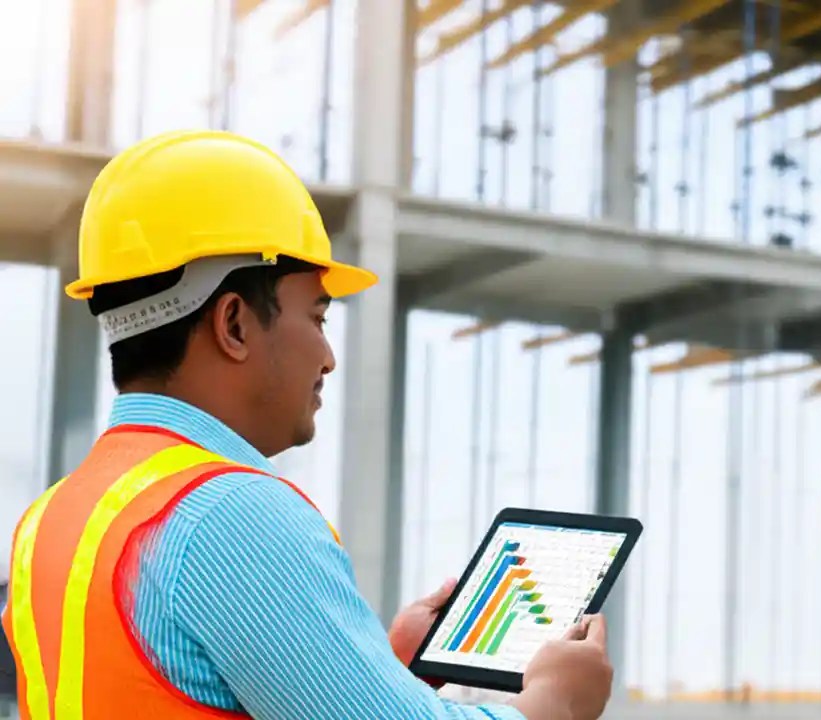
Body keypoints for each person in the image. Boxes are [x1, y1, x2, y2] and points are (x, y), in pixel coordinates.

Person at [1, 130, 613, 719]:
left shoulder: (52, 519)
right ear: (234, 324)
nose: (328, 357)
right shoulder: (231, 513)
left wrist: (388, 668)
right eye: (317, 317)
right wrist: (554, 703)